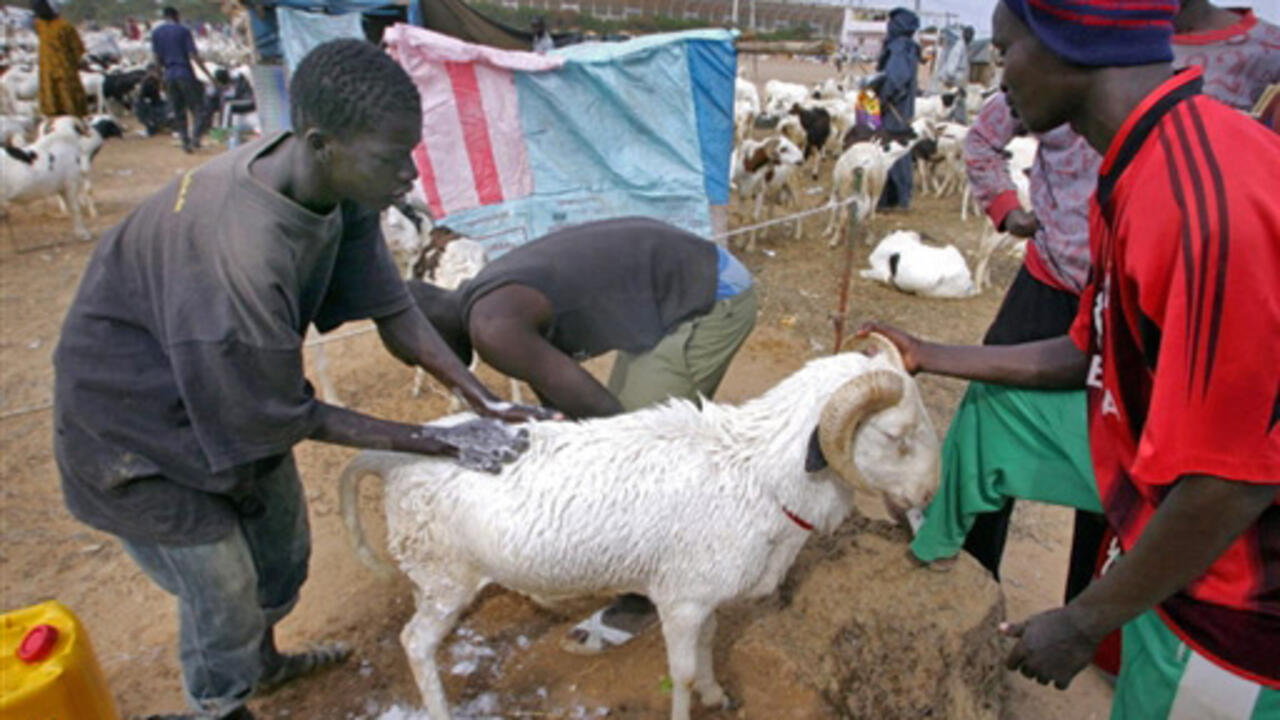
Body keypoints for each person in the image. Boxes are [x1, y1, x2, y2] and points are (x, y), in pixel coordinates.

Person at [53, 39, 545, 720]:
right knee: (220, 585)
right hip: (133, 429)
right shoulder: (239, 256)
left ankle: (263, 662)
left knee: (281, 557)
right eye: (390, 157)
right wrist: (445, 443)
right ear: (321, 142)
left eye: (411, 151)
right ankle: (220, 704)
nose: (408, 174)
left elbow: (393, 310)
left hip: (227, 385)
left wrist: (481, 398)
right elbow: (283, 415)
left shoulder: (341, 191)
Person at [866, 0, 1279, 714]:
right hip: (1159, 492)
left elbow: (1234, 482)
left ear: (1068, 43)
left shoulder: (1207, 203)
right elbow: (1087, 351)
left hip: (1228, 606)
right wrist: (929, 353)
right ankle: (940, 573)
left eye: (1007, 51)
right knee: (996, 416)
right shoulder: (1135, 167)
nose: (1001, 78)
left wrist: (1083, 620)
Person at [408, 216, 758, 652]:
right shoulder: (486, 300)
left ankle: (648, 592)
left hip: (713, 296)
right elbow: (554, 390)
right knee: (626, 430)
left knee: (642, 450)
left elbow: (607, 421)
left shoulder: (492, 328)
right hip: (673, 285)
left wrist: (579, 481)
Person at [866, 7, 919, 210]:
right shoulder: (909, 47)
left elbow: (897, 78)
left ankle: (890, 199)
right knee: (899, 149)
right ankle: (898, 197)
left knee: (890, 149)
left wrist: (883, 98)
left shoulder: (899, 47)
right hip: (902, 108)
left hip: (893, 108)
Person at [152, 6, 214, 153]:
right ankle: (195, 138)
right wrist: (209, 75)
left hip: (169, 75)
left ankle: (185, 141)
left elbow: (157, 59)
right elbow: (193, 55)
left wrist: (160, 79)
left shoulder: (156, 33)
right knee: (199, 108)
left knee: (178, 110)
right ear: (176, 16)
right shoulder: (183, 31)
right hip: (184, 73)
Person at [31, 0, 87, 118]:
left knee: (51, 95)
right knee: (68, 95)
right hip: (64, 69)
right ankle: (73, 116)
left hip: (47, 69)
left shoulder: (40, 25)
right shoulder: (64, 26)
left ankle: (54, 116)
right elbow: (78, 49)